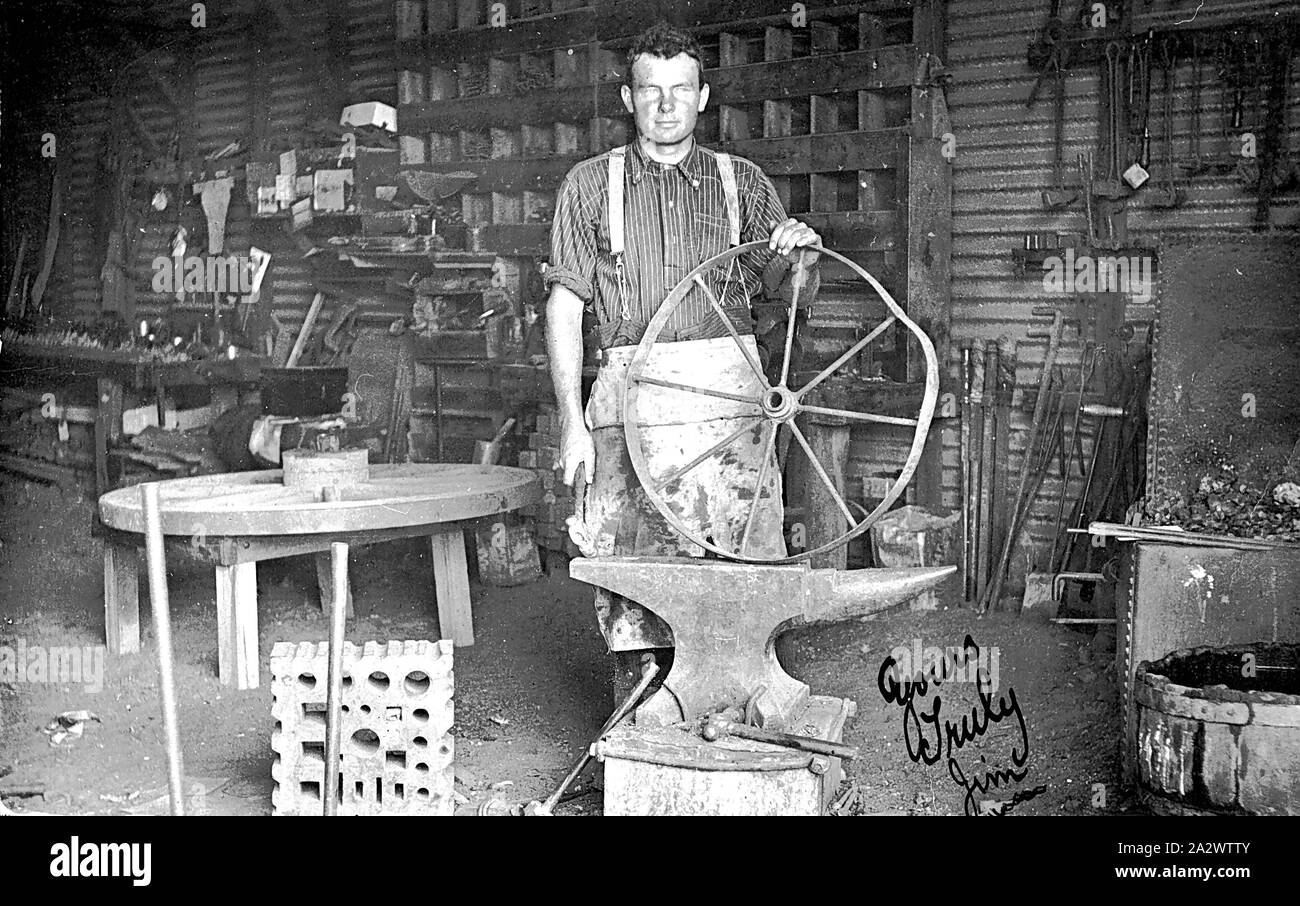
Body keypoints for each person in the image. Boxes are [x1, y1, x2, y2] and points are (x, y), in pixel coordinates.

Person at [544, 22, 824, 720]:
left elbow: (792, 295)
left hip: (729, 402)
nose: (665, 106)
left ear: (702, 96)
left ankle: (739, 732)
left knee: (739, 571)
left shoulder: (744, 184)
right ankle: (639, 732)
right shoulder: (588, 185)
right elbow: (563, 307)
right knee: (633, 580)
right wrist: (572, 425)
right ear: (628, 98)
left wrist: (803, 257)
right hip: (626, 395)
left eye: (679, 91)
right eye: (649, 91)